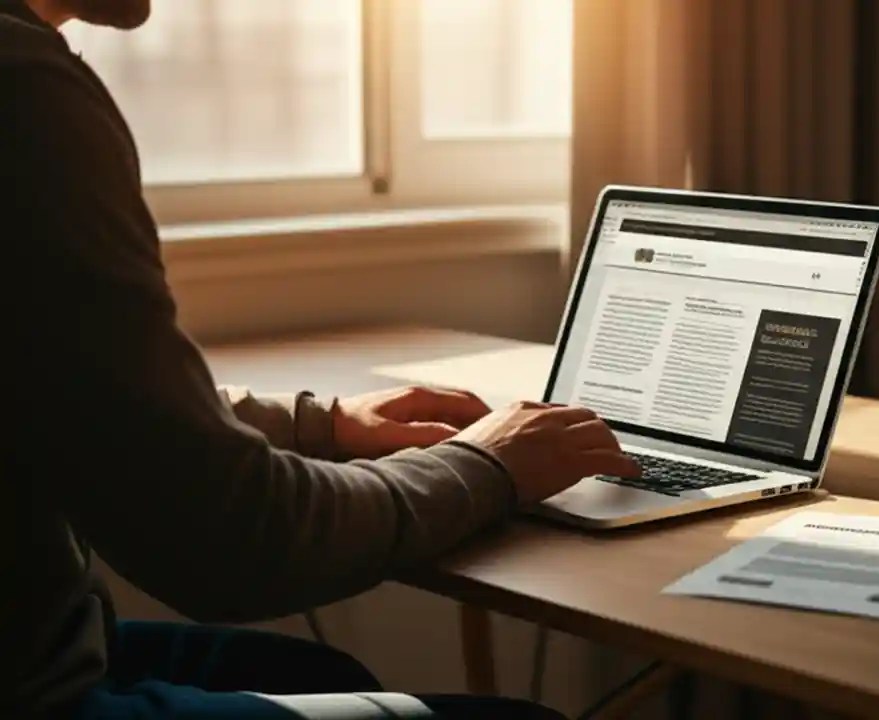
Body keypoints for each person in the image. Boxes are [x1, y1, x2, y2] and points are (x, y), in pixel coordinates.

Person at [0, 0, 641, 717]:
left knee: (321, 675)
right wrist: (488, 466)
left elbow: (81, 395)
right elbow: (230, 540)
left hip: (44, 646)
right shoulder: (23, 89)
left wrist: (319, 425)